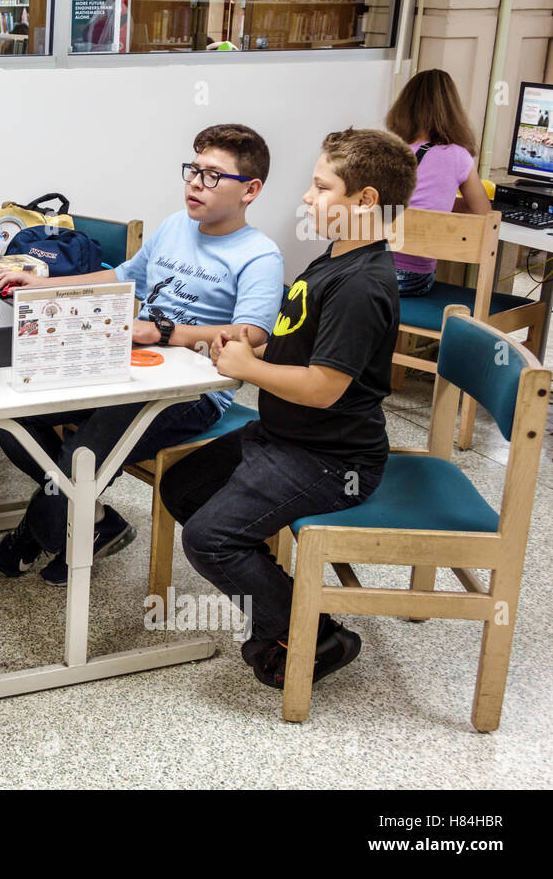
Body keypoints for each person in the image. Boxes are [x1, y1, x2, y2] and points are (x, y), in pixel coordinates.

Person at [160, 128, 417, 690]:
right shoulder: (333, 259)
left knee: (209, 538)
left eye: (322, 187)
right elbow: (300, 342)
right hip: (281, 435)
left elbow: (324, 387)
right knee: (182, 488)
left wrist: (250, 370)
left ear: (366, 201)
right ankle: (282, 607)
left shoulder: (362, 284)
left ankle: (313, 633)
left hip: (332, 459)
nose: (306, 197)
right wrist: (256, 349)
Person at [0, 124, 284, 585]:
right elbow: (124, 276)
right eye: (194, 169)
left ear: (250, 190)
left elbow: (253, 337)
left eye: (213, 176)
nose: (195, 183)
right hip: (126, 363)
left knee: (84, 452)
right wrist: (42, 284)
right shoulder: (175, 226)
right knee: (9, 411)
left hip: (190, 393)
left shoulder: (259, 256)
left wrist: (164, 332)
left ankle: (44, 528)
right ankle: (92, 520)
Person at [383, 68, 490, 296]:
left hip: (372, 269)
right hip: (412, 279)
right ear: (453, 112)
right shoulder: (459, 156)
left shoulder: (390, 151)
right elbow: (482, 211)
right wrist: (441, 203)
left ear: (403, 108)